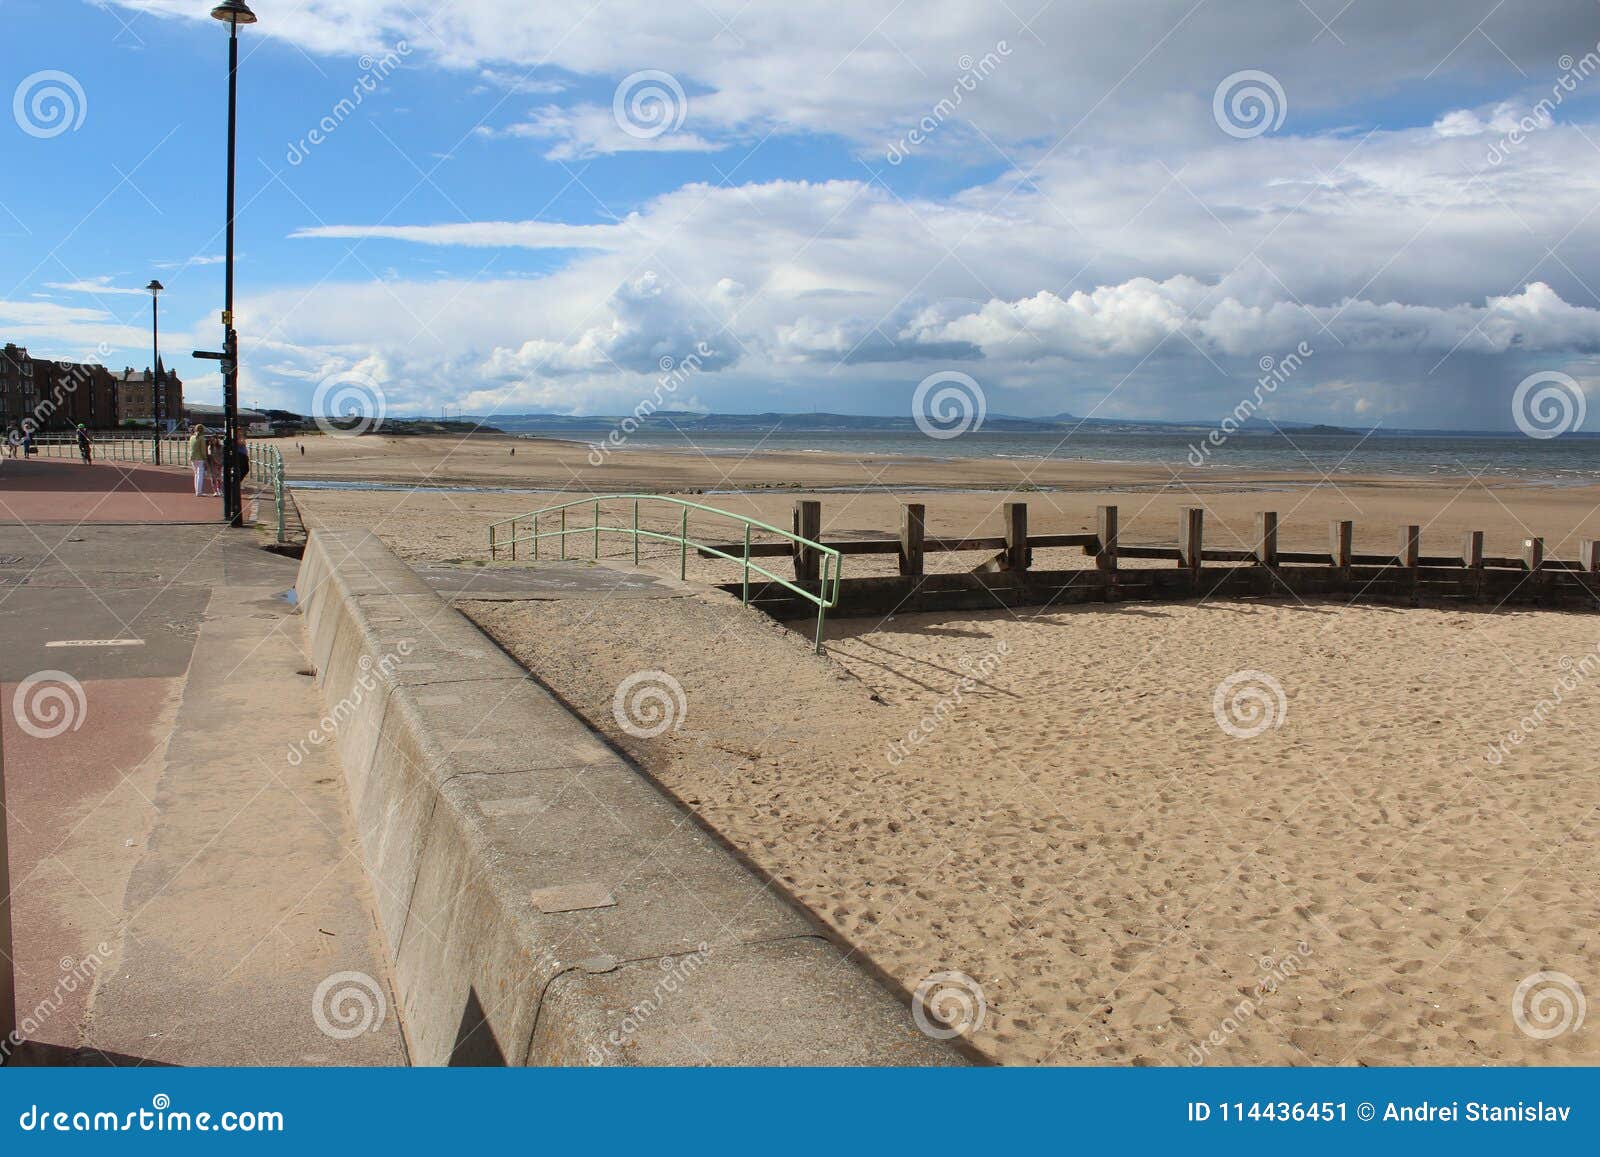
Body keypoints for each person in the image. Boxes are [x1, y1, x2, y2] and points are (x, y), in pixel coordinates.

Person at [189, 424, 208, 496]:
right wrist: (205, 458)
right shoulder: (202, 438)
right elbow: (203, 450)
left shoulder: (192, 437)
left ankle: (197, 491)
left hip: (193, 457)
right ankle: (199, 492)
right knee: (200, 475)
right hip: (200, 458)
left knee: (196, 474)